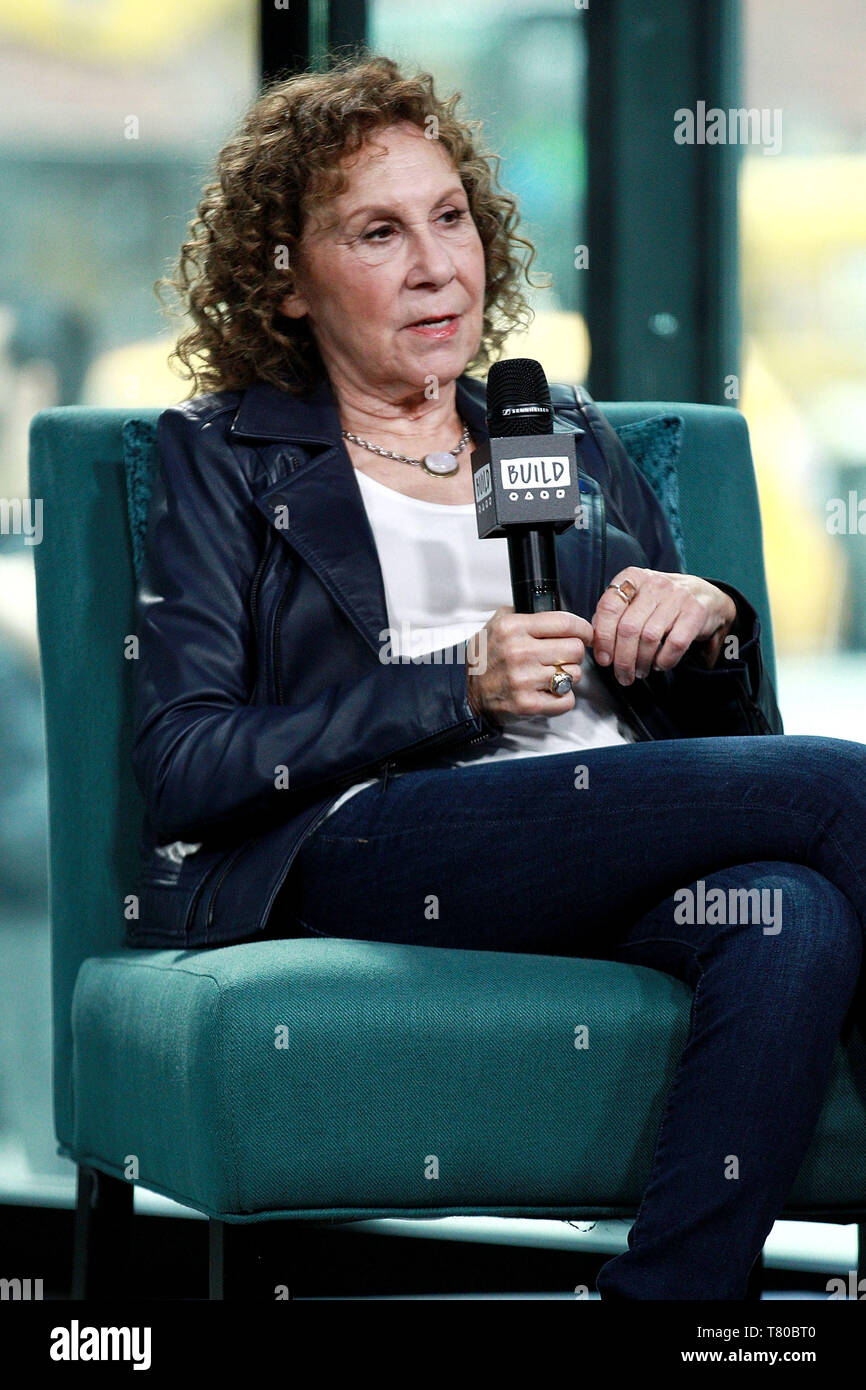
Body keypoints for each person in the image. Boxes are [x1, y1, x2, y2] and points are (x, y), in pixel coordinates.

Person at [131, 54, 866, 1300]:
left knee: (790, 914)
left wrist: (709, 625)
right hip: (372, 837)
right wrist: (450, 690)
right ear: (289, 280)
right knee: (842, 795)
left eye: (450, 216)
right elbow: (182, 763)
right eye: (377, 230)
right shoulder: (220, 459)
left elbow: (737, 734)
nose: (436, 265)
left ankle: (670, 1311)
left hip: (608, 831)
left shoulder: (559, 429)